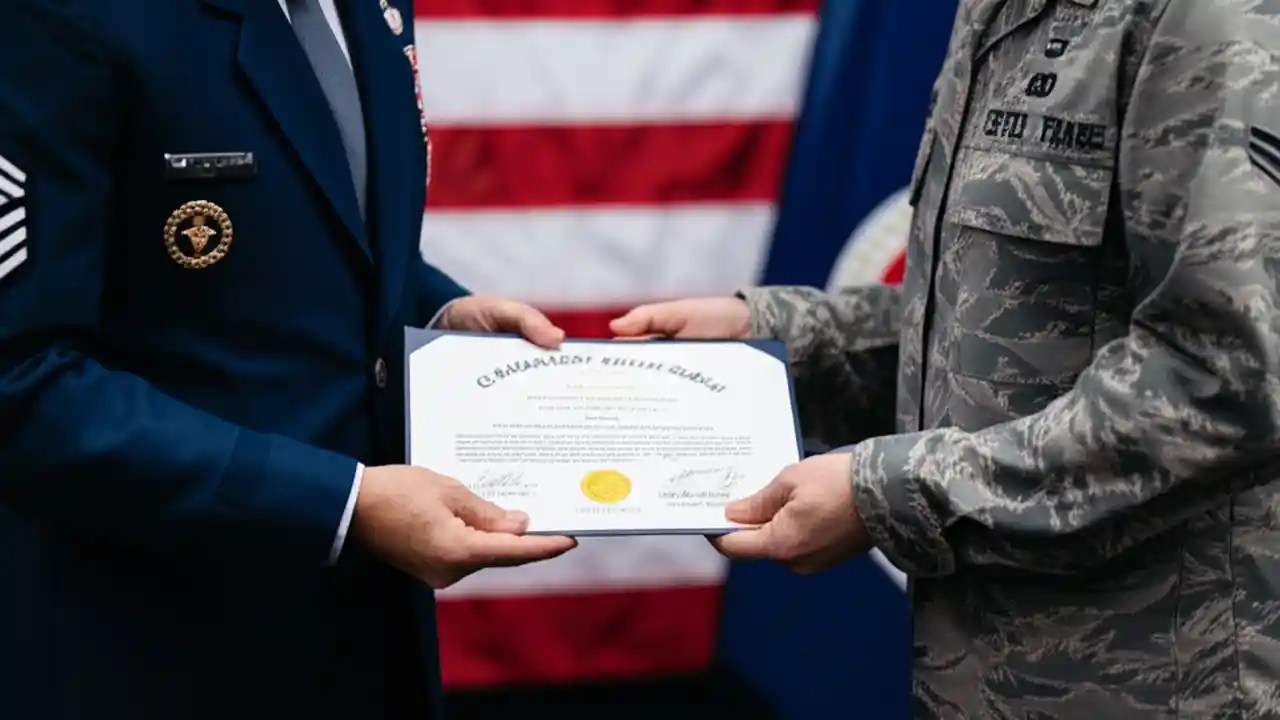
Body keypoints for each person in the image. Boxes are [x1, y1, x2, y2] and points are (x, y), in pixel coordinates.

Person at [613, 0, 1280, 716]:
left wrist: (891, 496)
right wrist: (774, 346)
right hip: (980, 679)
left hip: (1158, 686)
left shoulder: (1208, 14)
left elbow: (1223, 379)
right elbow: (1017, 324)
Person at [0, 0, 575, 718]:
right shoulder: (62, 16)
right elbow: (23, 383)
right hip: (160, 649)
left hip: (371, 641)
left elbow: (323, 234)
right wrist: (339, 504)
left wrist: (434, 314)